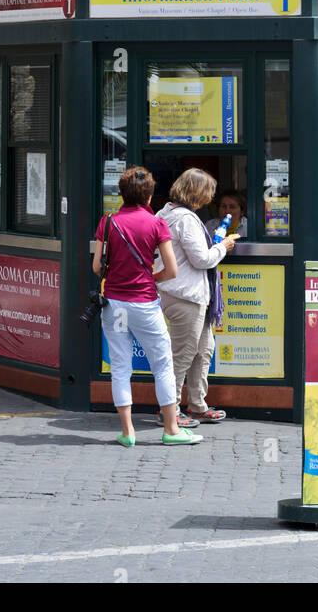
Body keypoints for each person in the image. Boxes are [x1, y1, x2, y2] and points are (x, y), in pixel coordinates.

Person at [93, 165, 202, 446]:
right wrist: (150, 278)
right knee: (163, 365)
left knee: (120, 366)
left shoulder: (107, 222)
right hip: (144, 303)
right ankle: (171, 430)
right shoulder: (156, 223)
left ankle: (127, 431)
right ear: (150, 195)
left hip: (114, 304)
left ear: (121, 194)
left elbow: (97, 267)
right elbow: (172, 270)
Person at [157, 169, 239, 424]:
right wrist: (222, 247)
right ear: (198, 192)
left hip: (183, 294)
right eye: (209, 191)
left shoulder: (165, 212)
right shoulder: (185, 219)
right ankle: (169, 413)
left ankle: (197, 405)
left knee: (203, 350)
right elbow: (202, 259)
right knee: (183, 355)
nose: (211, 196)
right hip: (186, 297)